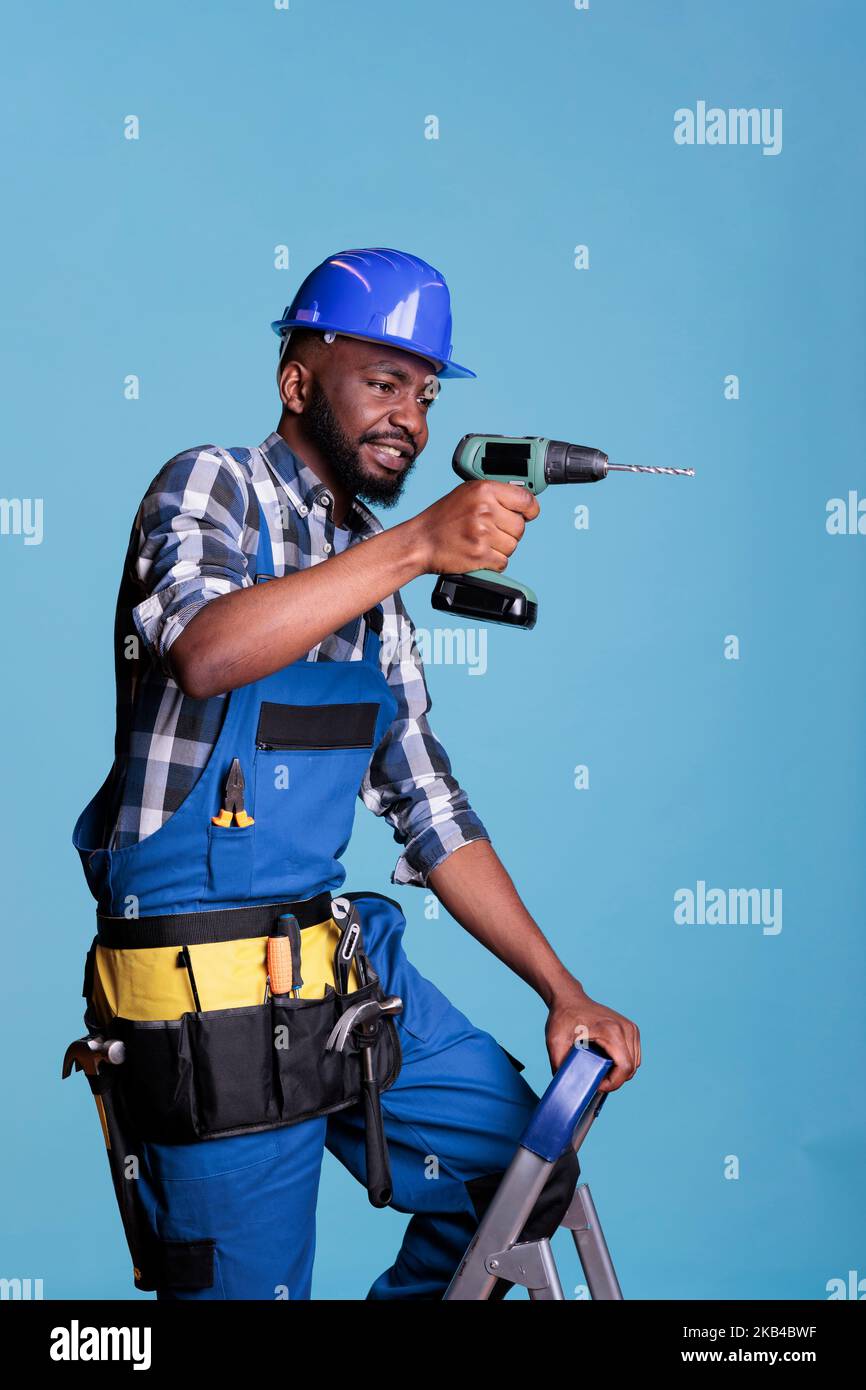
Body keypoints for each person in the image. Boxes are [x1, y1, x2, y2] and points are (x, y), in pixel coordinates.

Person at [72, 247, 640, 1300]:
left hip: (335, 980)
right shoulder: (215, 485)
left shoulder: (373, 573)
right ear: (298, 383)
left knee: (522, 1168)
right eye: (383, 382)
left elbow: (429, 804)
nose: (410, 419)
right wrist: (418, 543)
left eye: (424, 395)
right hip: (206, 1011)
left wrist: (561, 989)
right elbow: (204, 649)